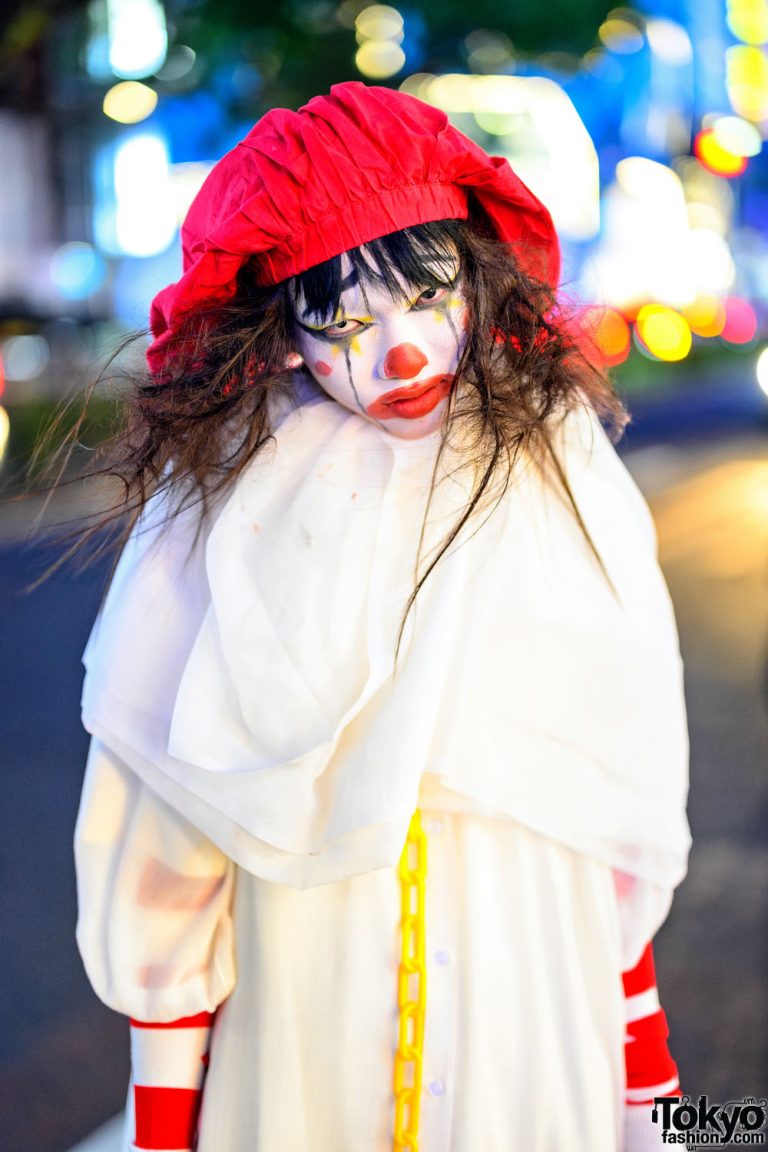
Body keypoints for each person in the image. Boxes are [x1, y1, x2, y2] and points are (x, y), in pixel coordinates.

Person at [73, 81, 691, 1152]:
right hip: (310, 996)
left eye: (425, 296)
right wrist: (164, 1121)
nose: (399, 352)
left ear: (477, 277)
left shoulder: (555, 464)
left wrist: (651, 1089)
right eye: (342, 319)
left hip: (529, 982)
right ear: (280, 334)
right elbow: (164, 806)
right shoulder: (229, 500)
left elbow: (615, 776)